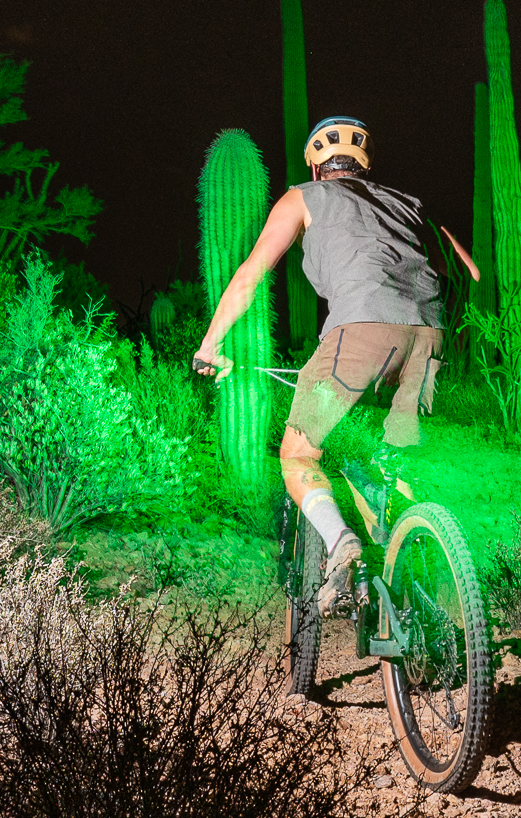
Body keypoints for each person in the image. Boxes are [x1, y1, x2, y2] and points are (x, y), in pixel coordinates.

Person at [194, 116, 478, 613]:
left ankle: (344, 545)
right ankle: (410, 564)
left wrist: (210, 346)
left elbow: (248, 277)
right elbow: (471, 270)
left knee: (299, 454)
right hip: (430, 335)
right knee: (392, 456)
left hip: (360, 335)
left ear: (315, 163)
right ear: (363, 163)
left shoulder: (302, 196)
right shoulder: (411, 204)